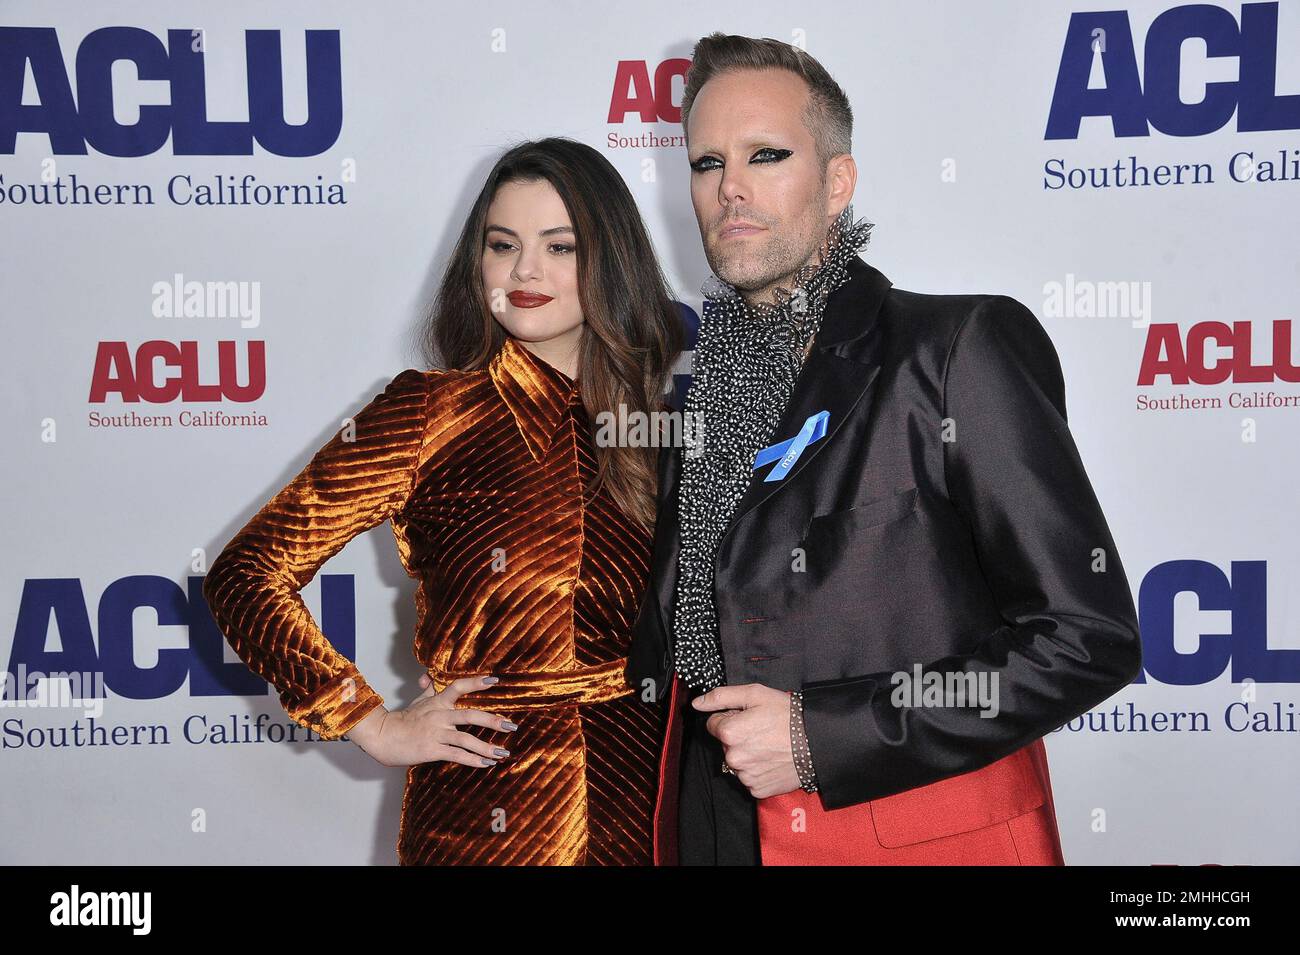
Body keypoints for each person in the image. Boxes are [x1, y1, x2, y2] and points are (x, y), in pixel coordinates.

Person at [627, 34, 1143, 865]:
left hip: (906, 837)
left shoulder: (952, 350)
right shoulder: (696, 391)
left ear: (838, 182)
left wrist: (817, 735)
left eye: (767, 154)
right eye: (706, 162)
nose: (731, 188)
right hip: (703, 825)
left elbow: (1087, 635)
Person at [203, 137, 683, 865]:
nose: (526, 270)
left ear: (608, 260)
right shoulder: (425, 413)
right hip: (485, 809)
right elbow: (245, 575)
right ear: (476, 261)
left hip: (651, 800)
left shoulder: (665, 417)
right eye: (503, 244)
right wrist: (369, 721)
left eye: (560, 246)